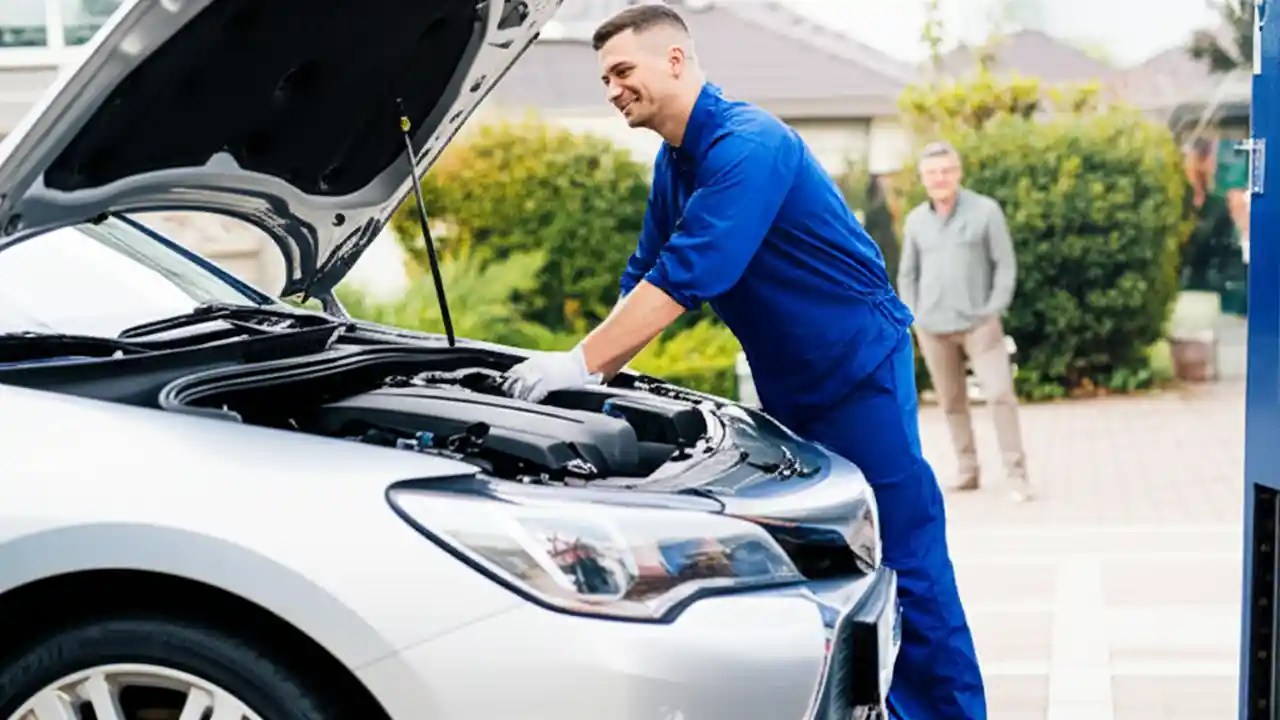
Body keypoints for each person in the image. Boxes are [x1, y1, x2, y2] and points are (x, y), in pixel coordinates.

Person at [501, 5, 986, 717]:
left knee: (903, 554)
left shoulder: (748, 144)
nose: (613, 88)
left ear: (676, 59)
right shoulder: (676, 164)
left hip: (858, 374)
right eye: (604, 77)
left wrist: (579, 361)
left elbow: (690, 274)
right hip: (793, 380)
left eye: (624, 70)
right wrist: (587, 378)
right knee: (832, 561)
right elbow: (643, 276)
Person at [898, 142, 1032, 503]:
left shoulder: (986, 211)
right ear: (923, 178)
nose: (939, 178)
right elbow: (907, 274)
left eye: (945, 170)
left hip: (980, 325)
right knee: (951, 402)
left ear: (957, 173)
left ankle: (1017, 474)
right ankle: (967, 470)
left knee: (1000, 395)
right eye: (931, 173)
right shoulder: (915, 220)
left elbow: (1005, 264)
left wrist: (994, 308)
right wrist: (914, 315)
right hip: (933, 328)